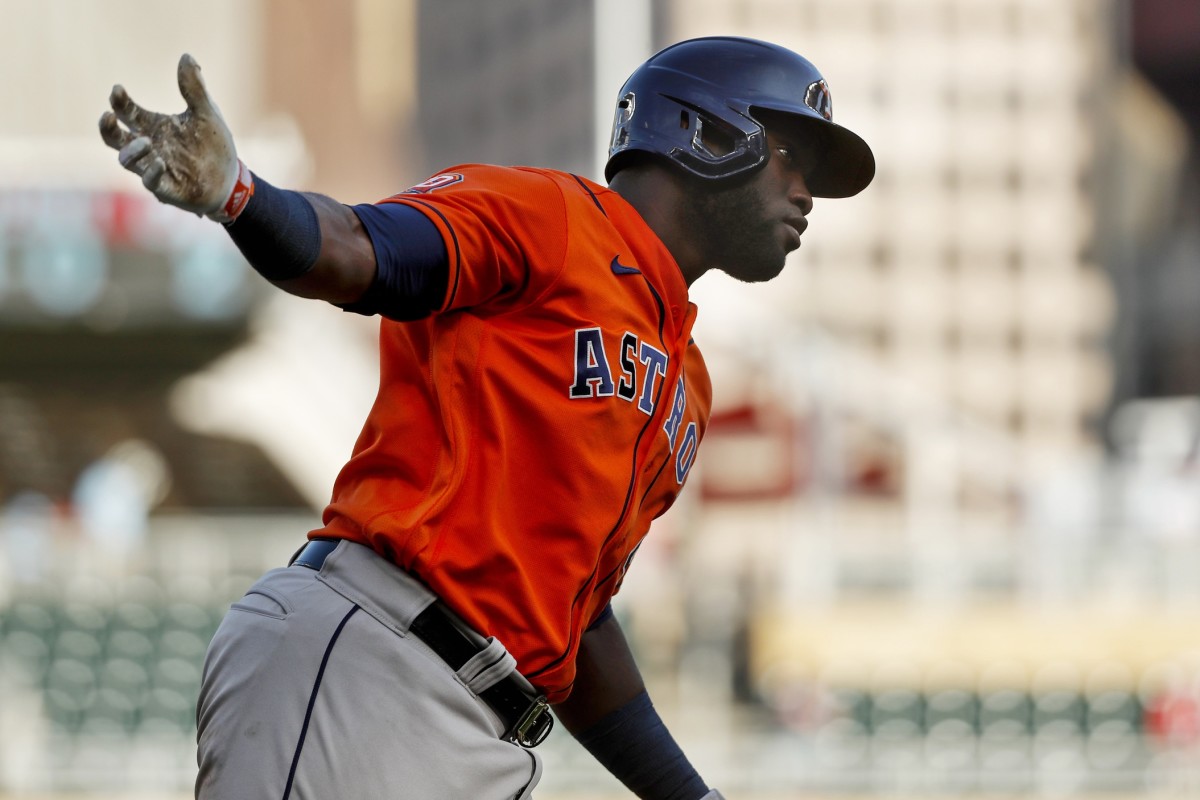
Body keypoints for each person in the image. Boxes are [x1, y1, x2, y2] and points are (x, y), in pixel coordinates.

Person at [100, 35, 873, 800]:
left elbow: (579, 624)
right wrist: (241, 194)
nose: (806, 193)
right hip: (374, 655)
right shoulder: (551, 217)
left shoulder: (688, 383)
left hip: (490, 731)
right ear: (705, 134)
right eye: (790, 156)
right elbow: (359, 250)